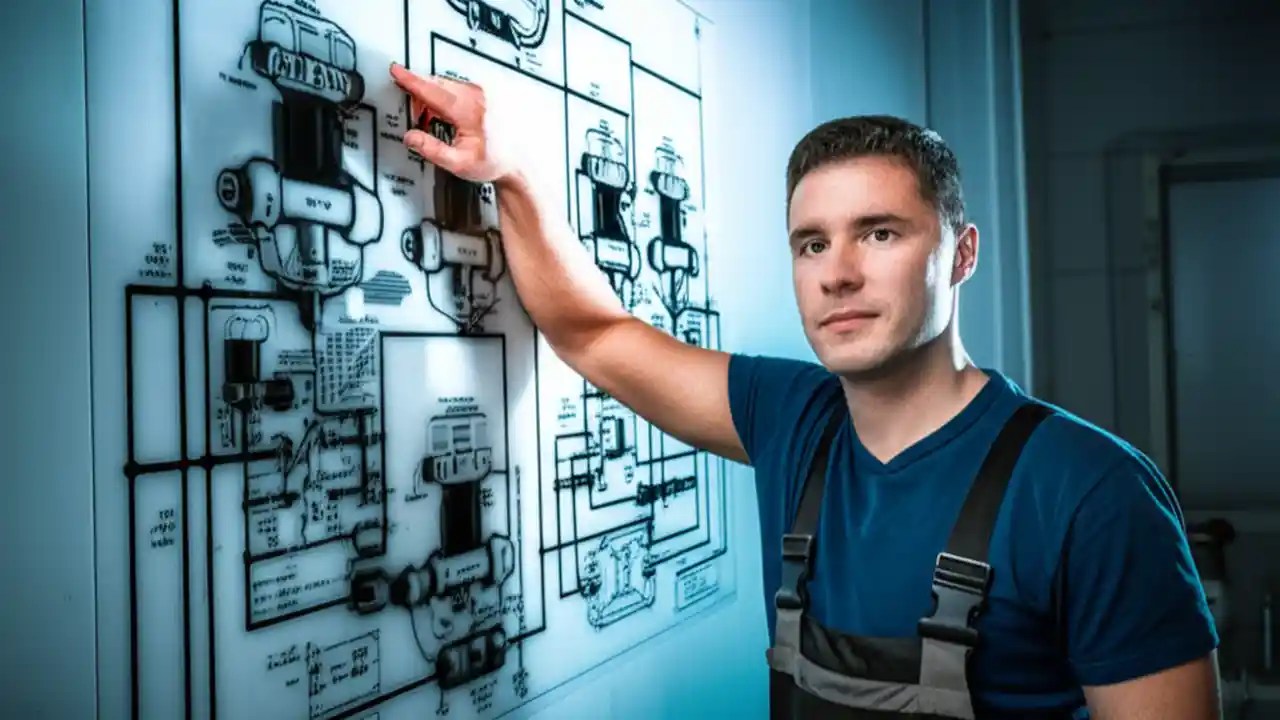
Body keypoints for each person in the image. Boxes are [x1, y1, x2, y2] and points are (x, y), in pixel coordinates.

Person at [388, 63, 1223, 719]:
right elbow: (596, 335)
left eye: (881, 233)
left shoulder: (1093, 489)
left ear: (962, 254)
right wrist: (518, 174)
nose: (839, 274)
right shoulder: (790, 419)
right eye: (812, 243)